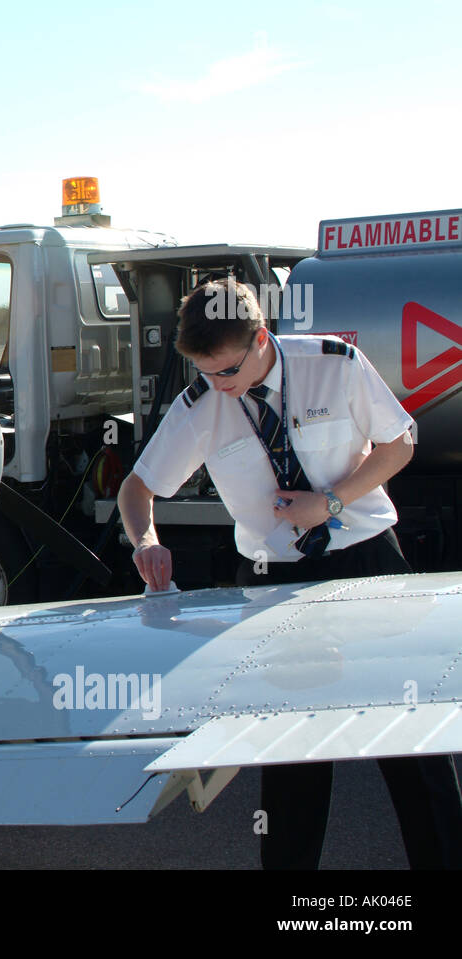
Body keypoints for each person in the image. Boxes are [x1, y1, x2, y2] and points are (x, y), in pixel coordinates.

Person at [117, 277, 462, 869]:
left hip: (369, 562)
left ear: (260, 339)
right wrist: (145, 541)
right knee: (291, 758)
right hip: (277, 585)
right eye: (204, 373)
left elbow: (399, 443)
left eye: (226, 371)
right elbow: (137, 489)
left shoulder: (335, 364)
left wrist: (328, 502)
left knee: (411, 744)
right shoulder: (201, 405)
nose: (217, 386)